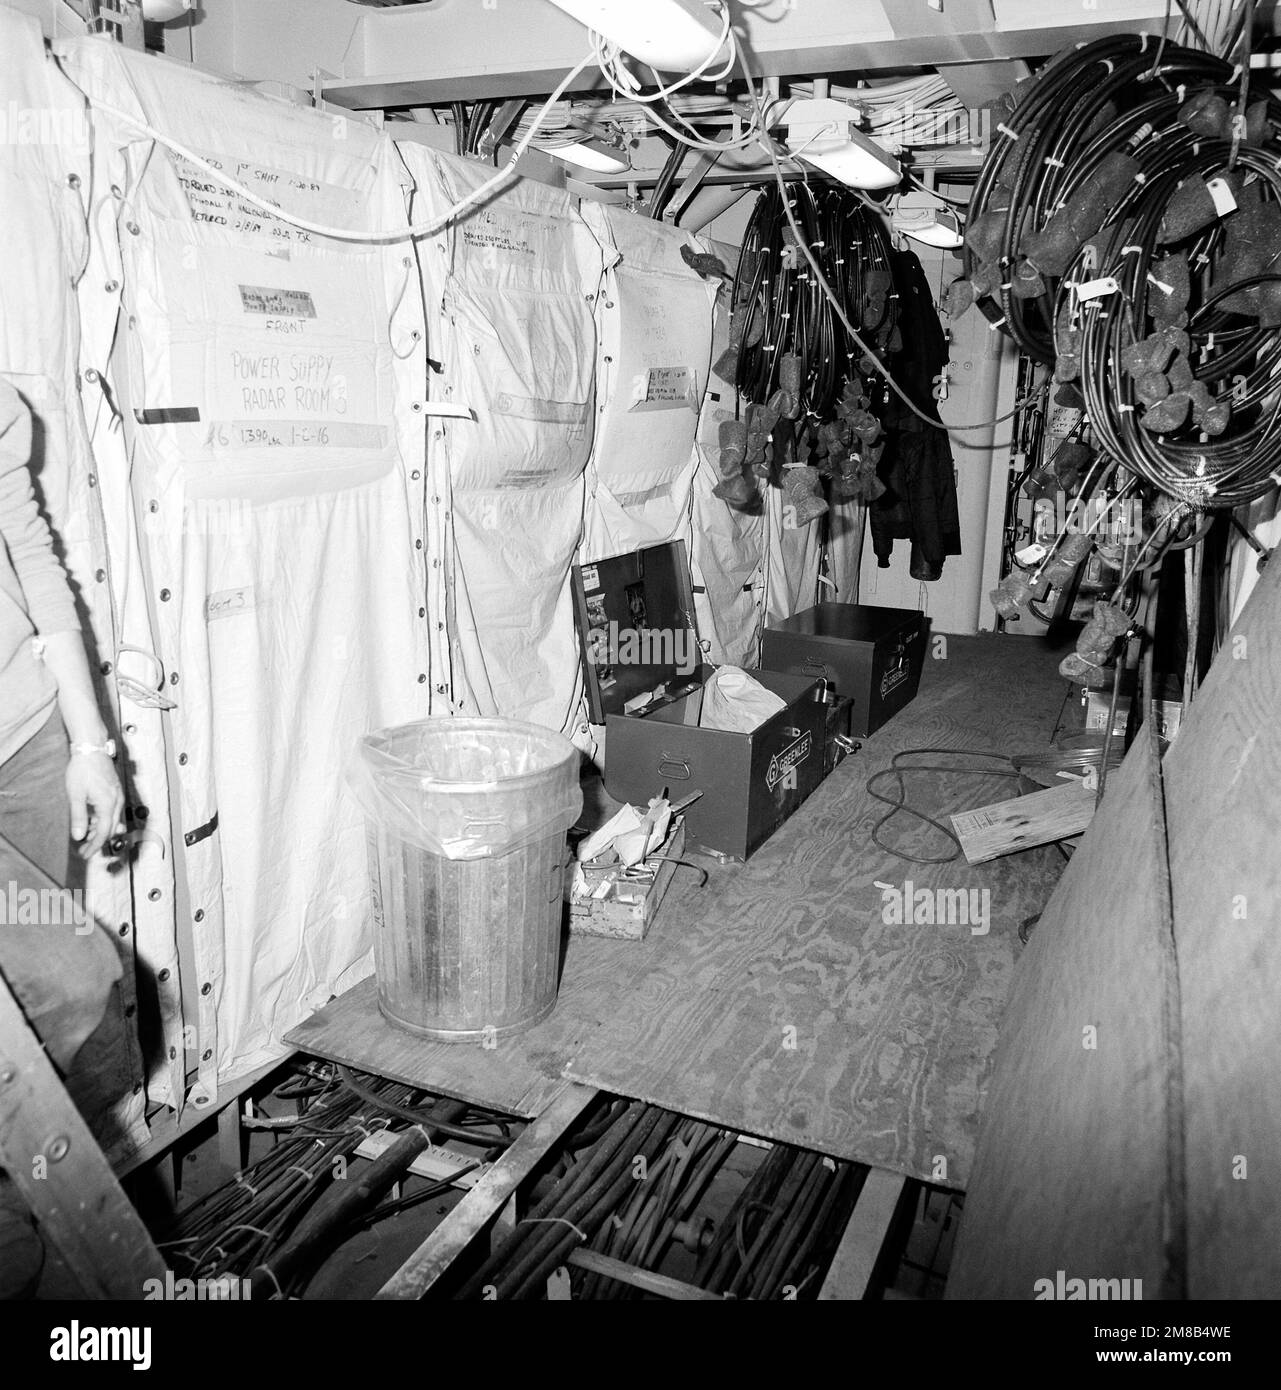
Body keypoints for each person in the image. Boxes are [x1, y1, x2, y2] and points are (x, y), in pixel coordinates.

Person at [0, 374, 127, 1297]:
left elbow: (32, 555)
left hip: (25, 745)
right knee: (73, 975)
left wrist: (90, 741)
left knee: (65, 1012)